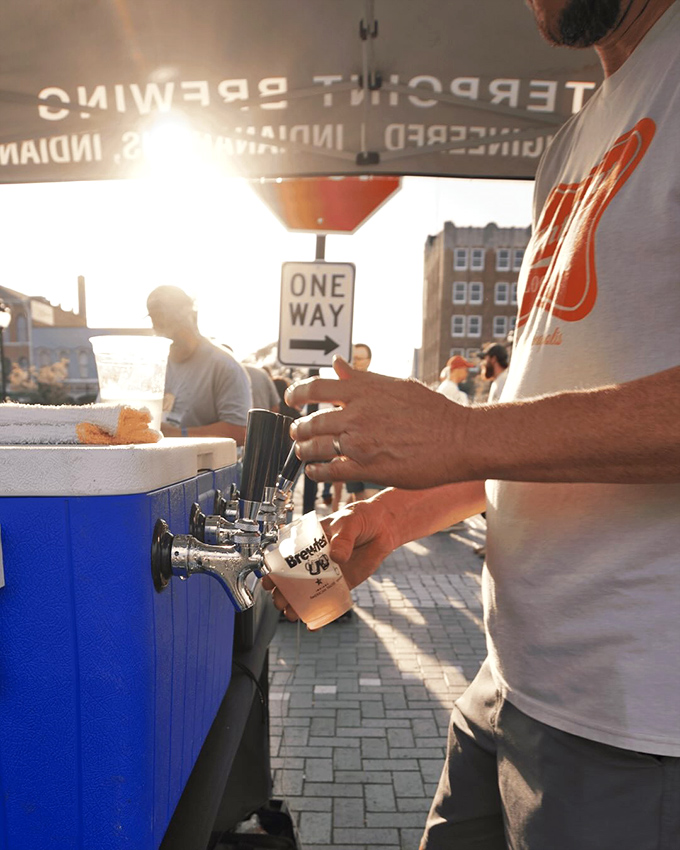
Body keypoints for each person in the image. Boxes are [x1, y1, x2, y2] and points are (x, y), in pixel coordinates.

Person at [264, 1, 680, 846]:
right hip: (510, 678)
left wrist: (458, 435)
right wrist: (400, 513)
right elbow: (552, 416)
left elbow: (500, 434)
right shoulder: (572, 140)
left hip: (638, 721)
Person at [146, 285, 252, 444]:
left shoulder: (224, 366)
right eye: (160, 325)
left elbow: (240, 431)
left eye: (176, 324)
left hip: (207, 461)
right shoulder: (155, 365)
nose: (169, 333)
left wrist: (178, 434)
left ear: (192, 317)